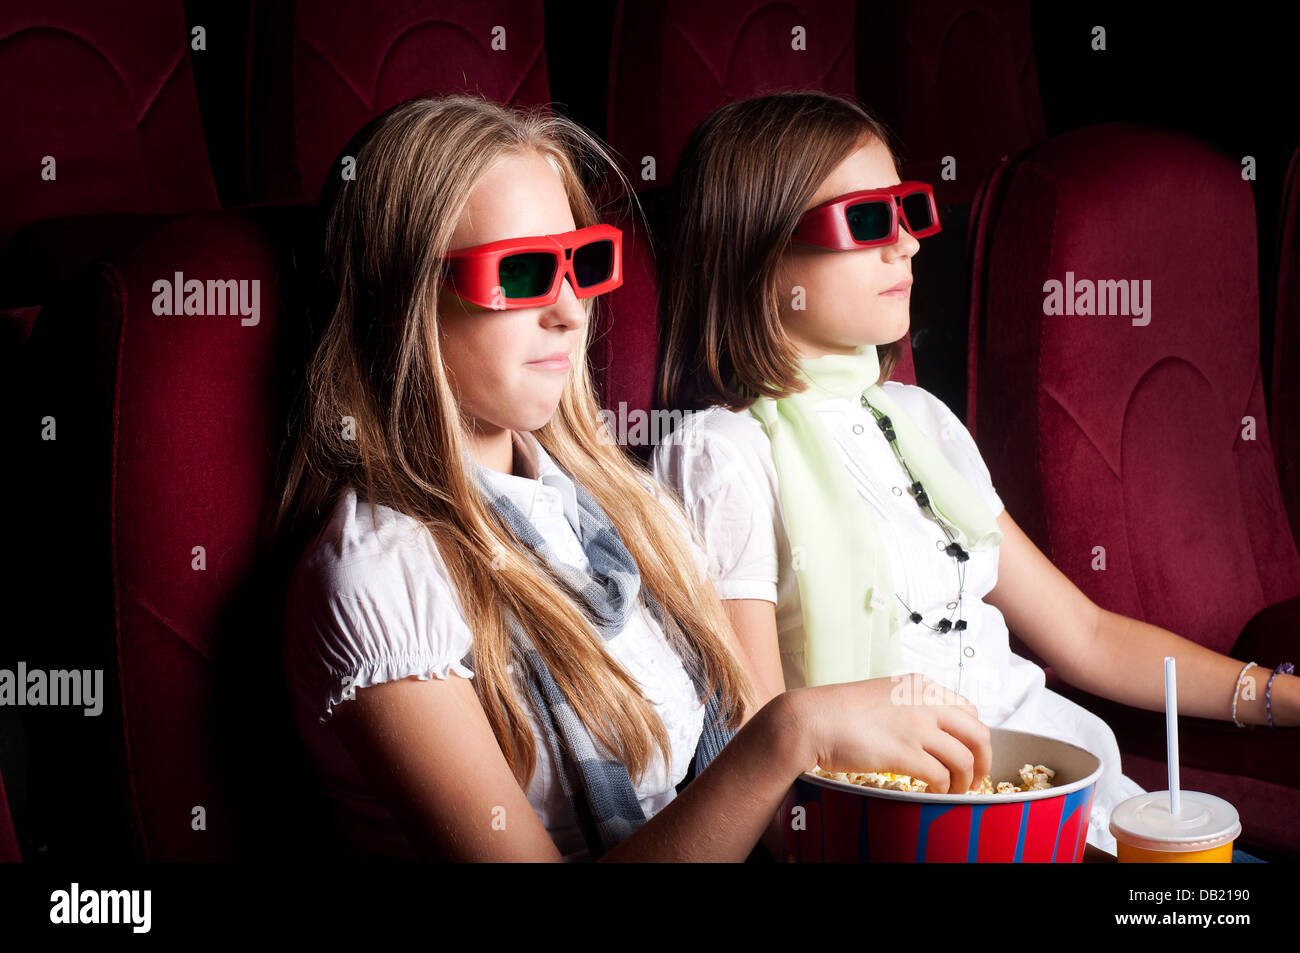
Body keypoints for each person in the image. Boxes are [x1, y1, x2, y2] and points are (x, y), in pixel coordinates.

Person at [271, 93, 993, 862]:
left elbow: (751, 805)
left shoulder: (629, 504)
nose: (569, 311)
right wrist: (790, 731)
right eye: (519, 274)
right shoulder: (380, 576)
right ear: (402, 302)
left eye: (580, 265)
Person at [650, 90, 1298, 855]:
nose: (908, 245)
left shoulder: (920, 420)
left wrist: (1276, 695)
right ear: (758, 251)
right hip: (932, 830)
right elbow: (760, 750)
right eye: (866, 220)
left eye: (910, 210)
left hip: (1079, 800)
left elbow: (1084, 635)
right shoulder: (719, 454)